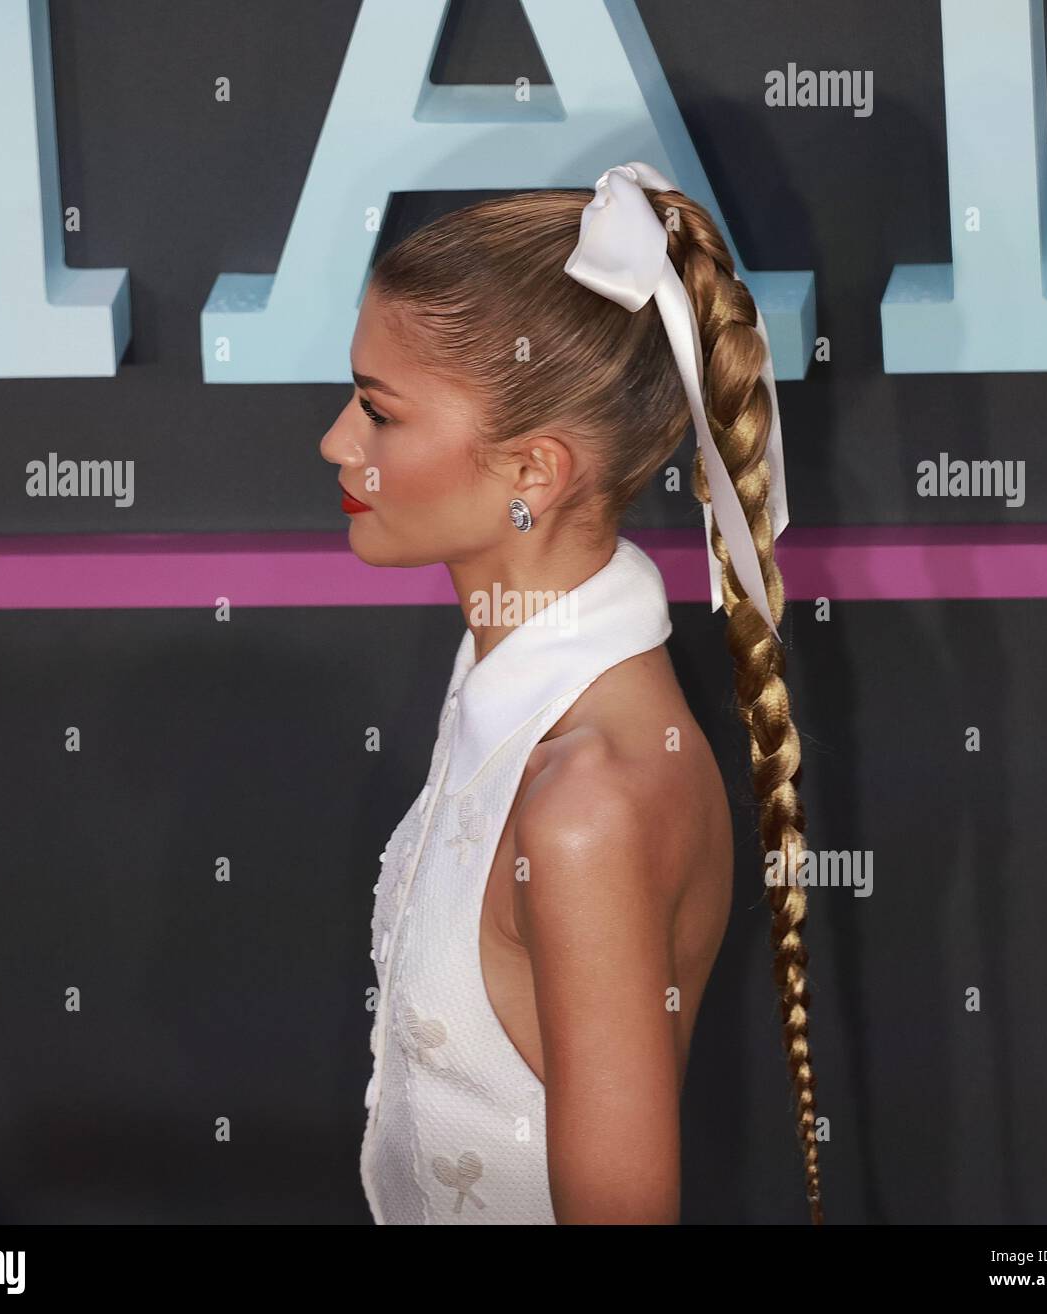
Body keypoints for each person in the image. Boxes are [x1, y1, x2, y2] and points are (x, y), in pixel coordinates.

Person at [319, 163, 820, 1225]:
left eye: (378, 412)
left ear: (532, 475)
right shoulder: (512, 692)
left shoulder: (583, 806)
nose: (337, 443)